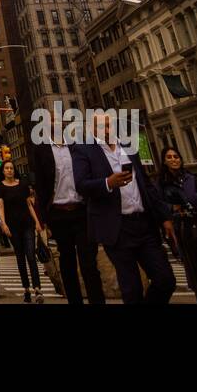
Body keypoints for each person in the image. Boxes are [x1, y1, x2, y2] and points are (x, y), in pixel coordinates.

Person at [72, 115, 176, 304]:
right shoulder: (84, 150)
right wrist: (107, 183)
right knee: (132, 289)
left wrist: (164, 217)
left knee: (166, 280)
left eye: (109, 124)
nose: (106, 128)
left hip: (144, 225)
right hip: (117, 229)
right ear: (92, 130)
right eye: (101, 126)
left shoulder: (128, 146)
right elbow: (81, 185)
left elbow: (146, 183)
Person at [31, 133, 104, 304]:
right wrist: (44, 222)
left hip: (81, 211)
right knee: (67, 261)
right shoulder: (42, 149)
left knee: (89, 263)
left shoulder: (77, 145)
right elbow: (40, 187)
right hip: (58, 213)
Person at [0, 163, 45, 304]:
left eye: (11, 168)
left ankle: (38, 289)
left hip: (27, 224)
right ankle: (26, 290)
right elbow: (0, 206)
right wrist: (3, 224)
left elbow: (29, 205)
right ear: (3, 171)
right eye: (7, 168)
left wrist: (37, 222)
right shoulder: (0, 188)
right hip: (12, 227)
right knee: (20, 258)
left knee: (31, 255)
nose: (9, 170)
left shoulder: (23, 185)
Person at [156, 146, 197, 210]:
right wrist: (172, 207)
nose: (173, 159)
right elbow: (158, 204)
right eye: (169, 157)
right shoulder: (161, 182)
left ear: (180, 160)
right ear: (164, 162)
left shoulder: (191, 179)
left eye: (176, 157)